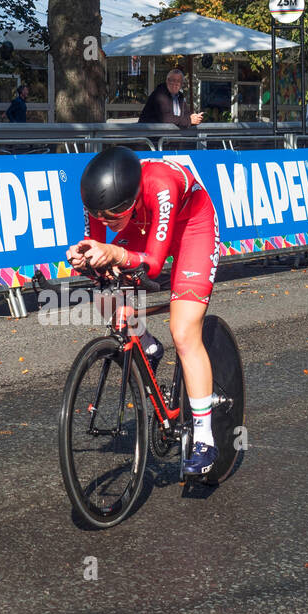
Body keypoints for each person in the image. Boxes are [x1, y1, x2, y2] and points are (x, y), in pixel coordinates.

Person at [67, 147, 222, 477]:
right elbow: (97, 248)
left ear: (130, 198)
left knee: (184, 331)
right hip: (144, 224)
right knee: (105, 294)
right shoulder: (100, 202)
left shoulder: (161, 184)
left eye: (112, 217)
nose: (104, 222)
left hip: (192, 227)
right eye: (100, 216)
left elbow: (151, 265)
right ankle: (147, 345)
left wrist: (114, 252)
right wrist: (86, 260)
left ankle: (205, 440)